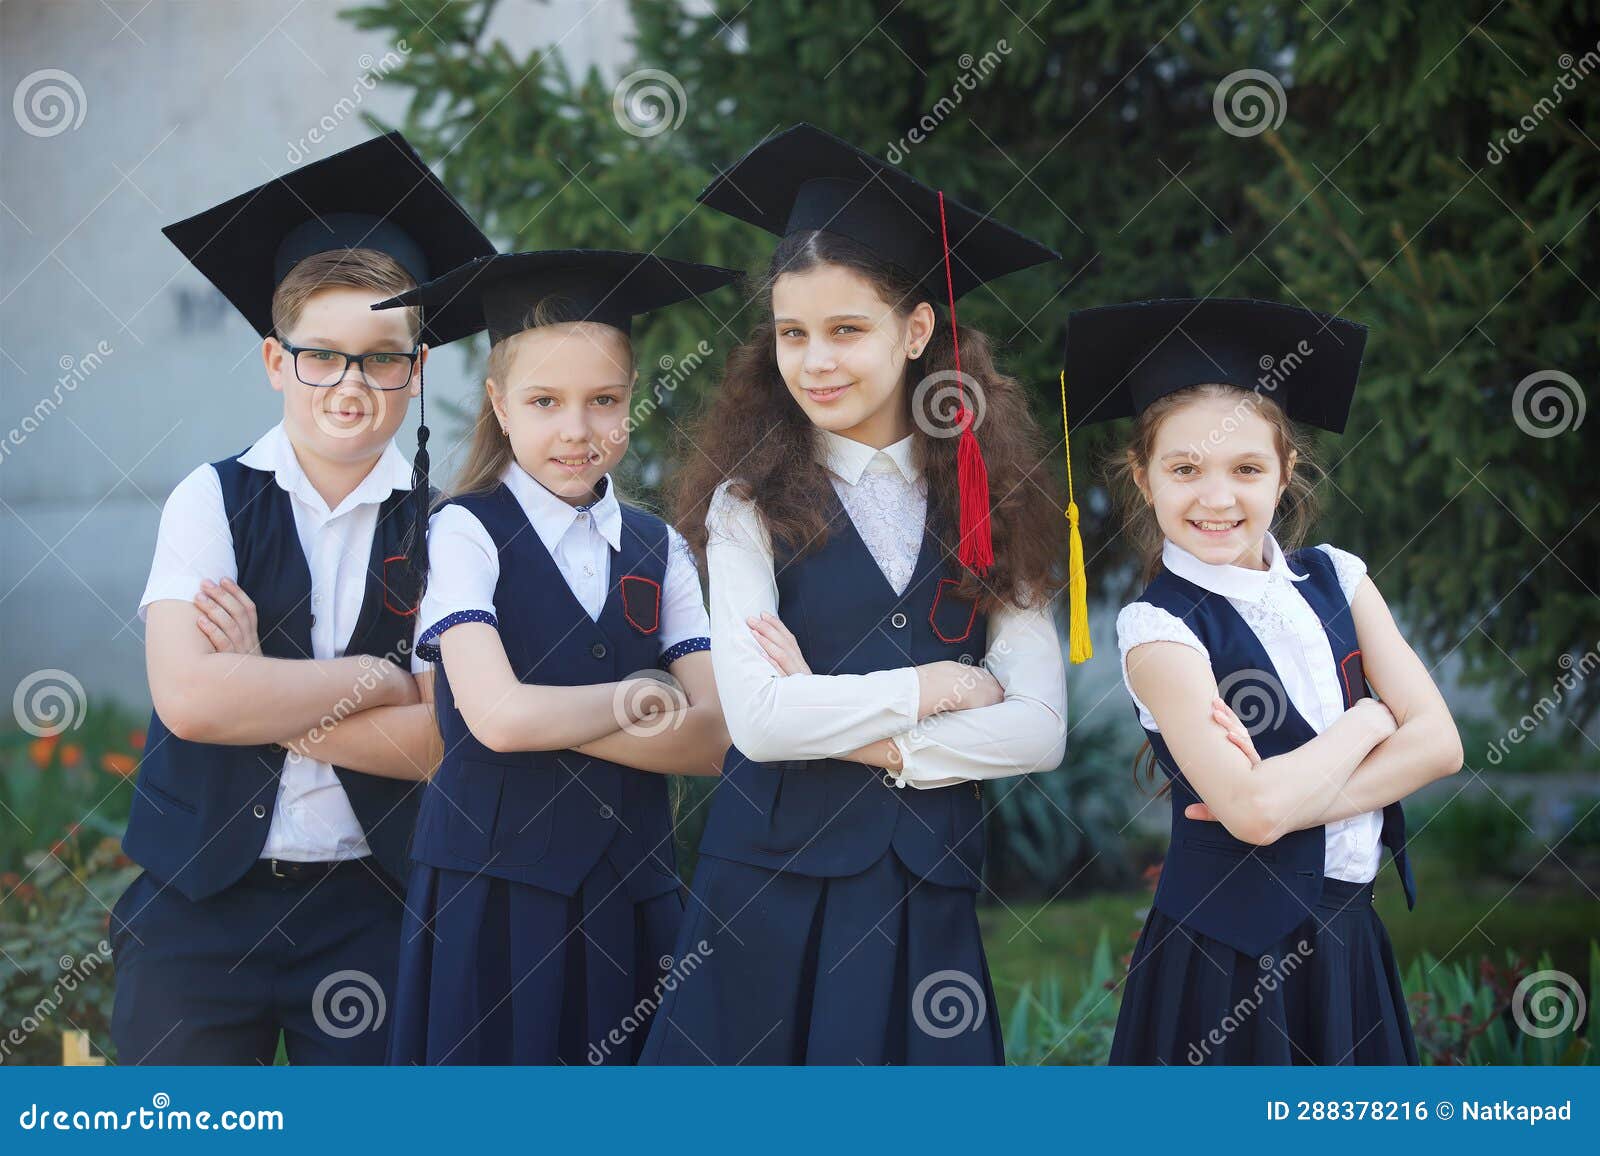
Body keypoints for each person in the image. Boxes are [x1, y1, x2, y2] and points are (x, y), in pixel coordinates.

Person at [641, 124, 1070, 1065]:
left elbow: (1040, 729)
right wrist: (946, 686)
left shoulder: (993, 499)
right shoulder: (746, 502)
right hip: (766, 894)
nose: (816, 362)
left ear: (917, 332)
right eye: (794, 334)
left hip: (926, 892)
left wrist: (860, 733)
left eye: (847, 331)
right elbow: (757, 723)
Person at [112, 132, 494, 1064]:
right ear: (277, 363)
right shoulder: (212, 500)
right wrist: (376, 676)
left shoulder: (449, 531)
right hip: (195, 911)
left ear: (418, 368)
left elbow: (447, 745)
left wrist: (257, 682)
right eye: (322, 355)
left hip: (373, 907)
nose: (352, 385)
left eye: (382, 357)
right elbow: (193, 700)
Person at [1062, 297, 1462, 1064]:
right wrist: (1371, 724)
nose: (1217, 498)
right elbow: (1248, 814)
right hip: (1224, 962)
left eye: (1246, 468)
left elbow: (1441, 745)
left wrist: (1284, 804)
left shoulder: (1338, 578)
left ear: (1286, 474)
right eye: (1185, 470)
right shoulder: (1160, 629)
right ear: (1144, 481)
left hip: (1348, 936)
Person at [374, 249, 741, 1064]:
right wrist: (641, 700)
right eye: (545, 402)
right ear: (501, 406)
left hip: (633, 897)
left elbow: (716, 738)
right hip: (493, 899)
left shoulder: (661, 546)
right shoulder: (464, 530)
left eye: (603, 401)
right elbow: (498, 720)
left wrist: (552, 712)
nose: (576, 430)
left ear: (631, 400)